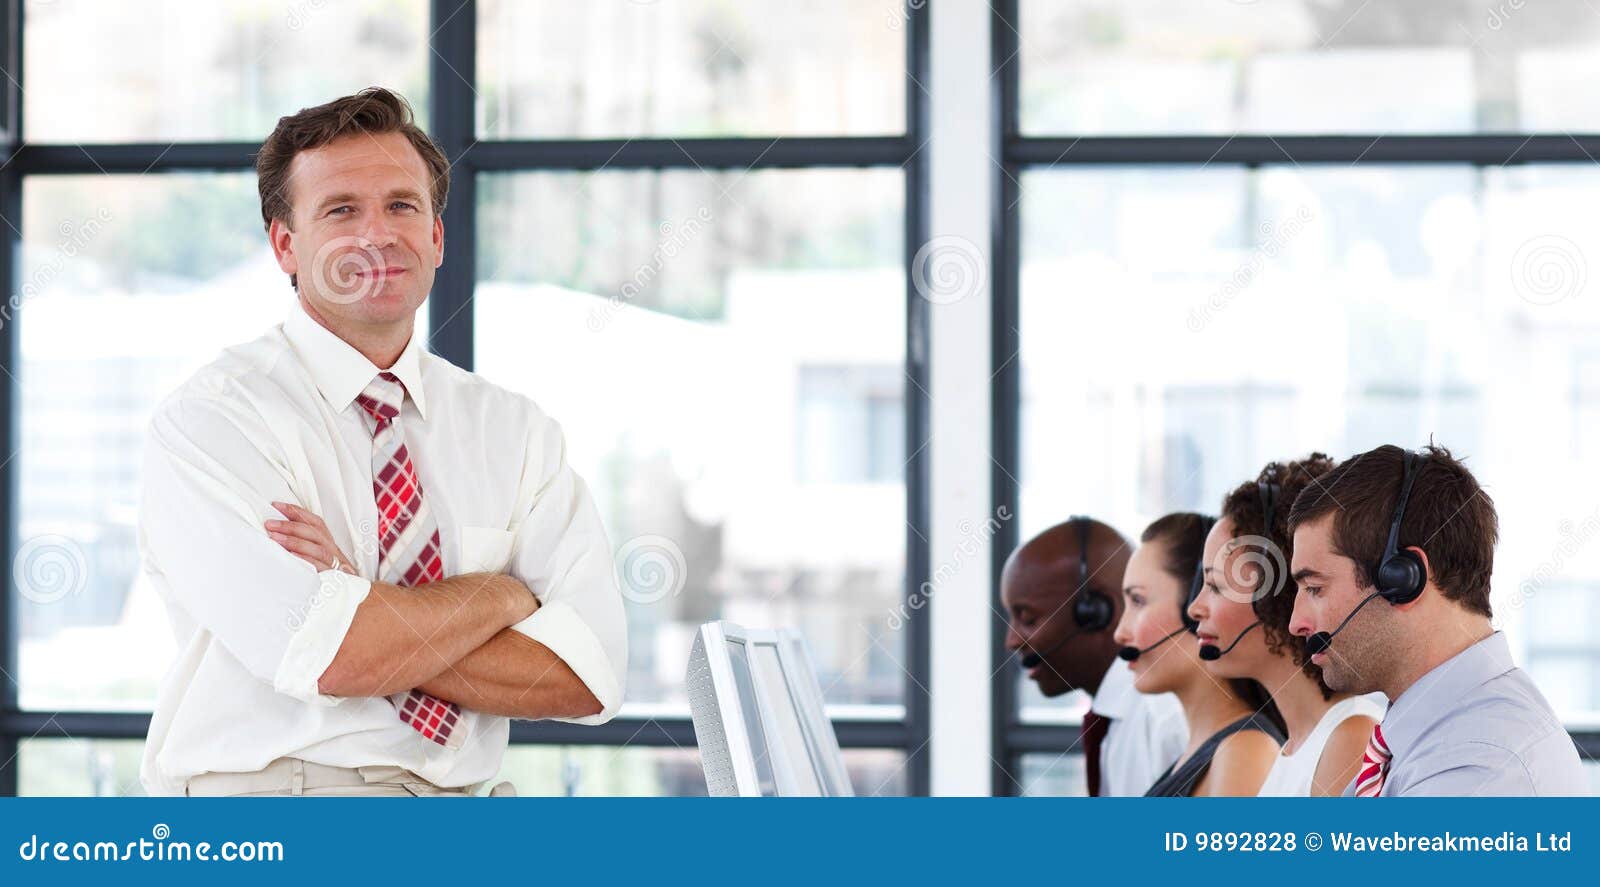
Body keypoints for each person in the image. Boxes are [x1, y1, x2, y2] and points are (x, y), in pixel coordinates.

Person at [137, 88, 627, 797]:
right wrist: (497, 597)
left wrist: (365, 602)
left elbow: (585, 678)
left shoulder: (514, 431)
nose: (378, 234)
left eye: (402, 205)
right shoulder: (216, 421)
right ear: (285, 245)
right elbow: (333, 656)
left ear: (437, 237)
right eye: (341, 210)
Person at [1288, 444, 1586, 796]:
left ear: (1403, 580)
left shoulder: (1480, 766)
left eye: (1315, 588)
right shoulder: (1417, 740)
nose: (1296, 623)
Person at [1189, 454, 1382, 796]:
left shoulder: (1349, 737)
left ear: (1276, 595)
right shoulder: (1294, 747)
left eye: (1216, 586)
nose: (1194, 608)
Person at [1002, 517, 1186, 795]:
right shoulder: (1114, 719)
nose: (1012, 641)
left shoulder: (1164, 721)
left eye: (1027, 618)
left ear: (1096, 612)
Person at [1114, 513, 1284, 796]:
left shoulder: (1245, 751)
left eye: (1138, 601)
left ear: (1191, 607)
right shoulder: (1204, 750)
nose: (1120, 633)